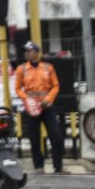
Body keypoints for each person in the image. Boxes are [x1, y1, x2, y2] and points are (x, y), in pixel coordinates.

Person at [13, 40, 64, 173]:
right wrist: (27, 99)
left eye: (29, 51)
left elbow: (55, 85)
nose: (26, 53)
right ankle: (38, 166)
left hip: (47, 107)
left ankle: (58, 166)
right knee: (34, 138)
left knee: (56, 135)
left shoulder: (48, 68)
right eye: (26, 51)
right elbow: (18, 88)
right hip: (31, 108)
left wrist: (48, 99)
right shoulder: (21, 69)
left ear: (36, 52)